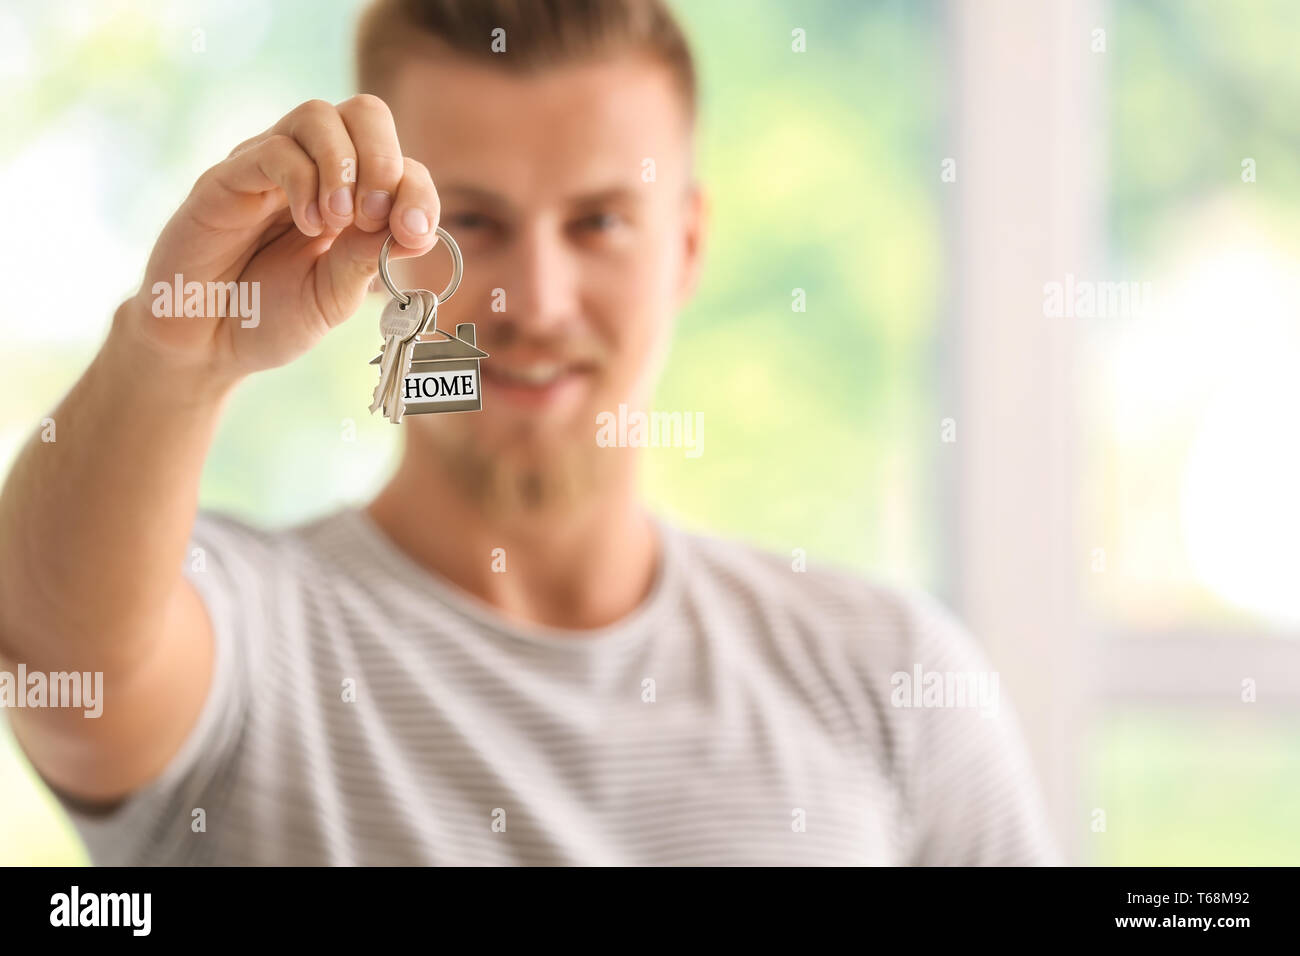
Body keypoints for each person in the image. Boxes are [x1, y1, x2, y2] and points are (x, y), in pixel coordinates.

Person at [0, 0, 1060, 866]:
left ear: (684, 246)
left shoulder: (884, 672)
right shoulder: (251, 637)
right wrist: (181, 347)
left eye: (597, 221)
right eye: (471, 222)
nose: (535, 301)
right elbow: (55, 651)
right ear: (377, 246)